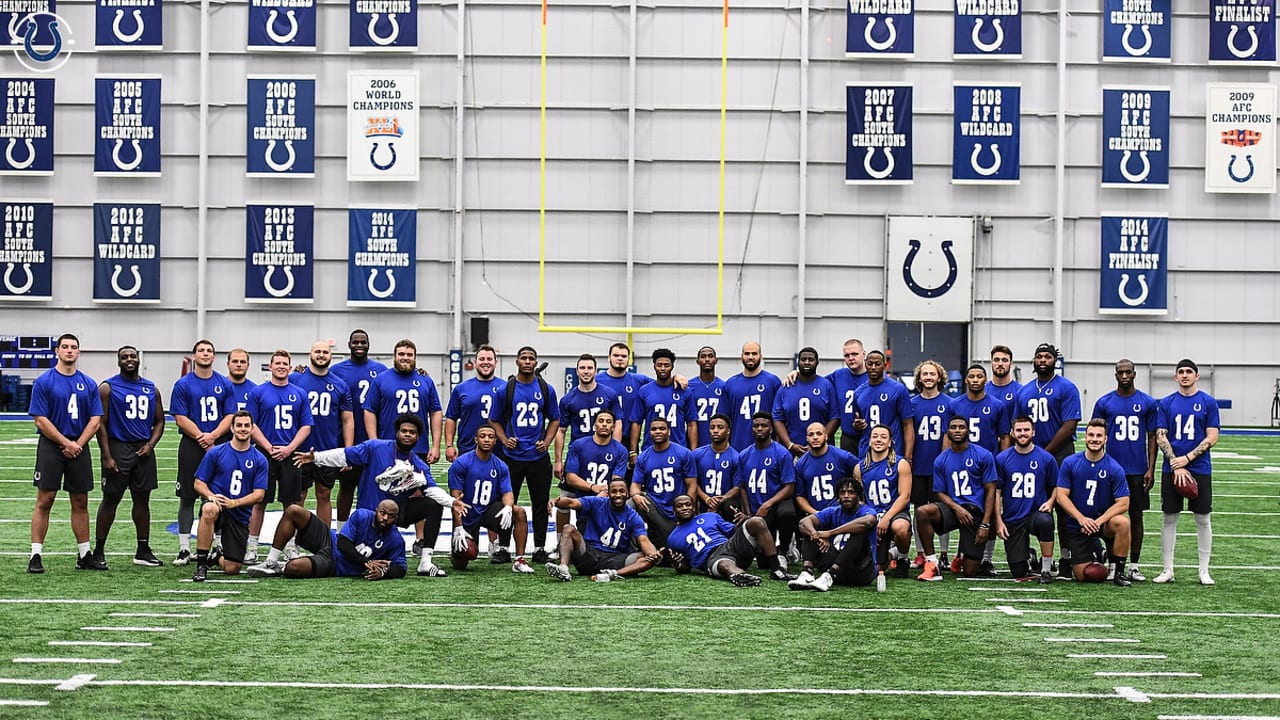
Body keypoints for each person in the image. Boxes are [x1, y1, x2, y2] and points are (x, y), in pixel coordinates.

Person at [291, 413, 466, 577]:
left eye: (412, 432)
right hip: (370, 513)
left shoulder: (419, 465)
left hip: (395, 513)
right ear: (397, 432)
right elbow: (344, 455)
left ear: (418, 437)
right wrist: (316, 458)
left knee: (433, 505)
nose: (407, 435)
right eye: (404, 431)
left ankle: (425, 562)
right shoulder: (375, 448)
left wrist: (451, 502)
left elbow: (431, 489)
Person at [28, 333, 105, 574]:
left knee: (80, 500)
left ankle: (84, 554)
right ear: (57, 351)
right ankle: (36, 554)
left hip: (79, 447)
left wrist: (78, 444)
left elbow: (95, 419)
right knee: (45, 499)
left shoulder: (89, 383)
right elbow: (40, 419)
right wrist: (65, 443)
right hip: (52, 446)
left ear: (79, 352)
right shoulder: (44, 381)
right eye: (65, 347)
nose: (69, 351)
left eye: (73, 347)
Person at [92, 345, 166, 568]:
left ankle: (142, 549)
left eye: (132, 356)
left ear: (139, 359)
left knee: (142, 500)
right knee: (111, 499)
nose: (129, 360)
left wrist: (151, 445)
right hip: (118, 447)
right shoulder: (108, 387)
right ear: (118, 361)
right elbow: (100, 424)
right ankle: (98, 550)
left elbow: (160, 421)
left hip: (143, 449)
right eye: (124, 357)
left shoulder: (151, 388)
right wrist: (106, 455)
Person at [1015, 342, 1082, 577]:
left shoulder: (1067, 387)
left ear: (1055, 360)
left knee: (1063, 507)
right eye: (1039, 356)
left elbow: (1070, 424)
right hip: (1029, 455)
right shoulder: (1024, 391)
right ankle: (1029, 555)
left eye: (1047, 357)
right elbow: (1017, 424)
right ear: (1033, 361)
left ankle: (1066, 557)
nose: (1043, 360)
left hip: (1060, 453)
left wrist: (1045, 451)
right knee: (1027, 504)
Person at [489, 346, 560, 563]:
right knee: (508, 504)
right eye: (524, 358)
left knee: (541, 503)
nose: (528, 361)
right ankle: (503, 547)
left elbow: (555, 419)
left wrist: (547, 441)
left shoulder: (546, 389)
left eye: (531, 358)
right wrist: (503, 439)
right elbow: (494, 419)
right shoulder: (506, 389)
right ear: (517, 362)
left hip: (537, 457)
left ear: (536, 362)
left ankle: (539, 547)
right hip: (512, 457)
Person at [1154, 359, 1220, 586]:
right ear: (1175, 377)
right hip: (1171, 467)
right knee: (1169, 517)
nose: (1184, 375)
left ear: (1197, 376)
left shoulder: (1208, 403)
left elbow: (1212, 436)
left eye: (1189, 372)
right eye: (1180, 372)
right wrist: (1176, 462)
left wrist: (1188, 459)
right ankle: (1168, 569)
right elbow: (1160, 435)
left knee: (1202, 518)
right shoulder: (1166, 403)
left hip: (1199, 467)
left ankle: (1204, 570)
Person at [1090, 359, 1157, 582]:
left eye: (1129, 372)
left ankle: (1134, 566)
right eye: (1121, 372)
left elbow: (1152, 436)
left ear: (1135, 374)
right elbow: (1095, 434)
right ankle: (1113, 563)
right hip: (1110, 470)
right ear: (1116, 374)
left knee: (1137, 516)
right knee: (1111, 518)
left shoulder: (1146, 402)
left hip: (1137, 469)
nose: (1125, 376)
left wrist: (1150, 468)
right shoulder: (1105, 402)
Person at [169, 339, 235, 565]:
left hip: (218, 445)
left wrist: (213, 436)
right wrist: (203, 437)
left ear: (214, 357)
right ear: (194, 356)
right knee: (187, 497)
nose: (205, 354)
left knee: (217, 497)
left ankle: (217, 544)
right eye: (201, 351)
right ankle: (185, 548)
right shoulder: (183, 384)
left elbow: (230, 416)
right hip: (191, 445)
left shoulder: (224, 384)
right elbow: (180, 417)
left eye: (209, 351)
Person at [245, 349, 314, 561]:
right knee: (259, 502)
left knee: (291, 505)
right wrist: (268, 447)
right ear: (271, 366)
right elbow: (251, 424)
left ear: (290, 368)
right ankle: (252, 547)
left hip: (290, 454)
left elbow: (306, 426)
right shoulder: (258, 392)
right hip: (265, 455)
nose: (282, 366)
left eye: (285, 363)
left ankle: (290, 545)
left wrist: (289, 448)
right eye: (278, 363)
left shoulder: (299, 393)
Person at [945, 363, 1009, 574]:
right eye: (971, 376)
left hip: (987, 463)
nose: (974, 379)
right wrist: (945, 460)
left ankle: (987, 558)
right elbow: (948, 434)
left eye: (979, 376)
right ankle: (958, 554)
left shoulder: (997, 405)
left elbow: (1004, 436)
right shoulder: (955, 404)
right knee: (961, 506)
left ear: (985, 379)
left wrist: (1001, 460)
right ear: (966, 380)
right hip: (960, 465)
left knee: (988, 510)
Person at [914, 416, 997, 580]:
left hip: (975, 513)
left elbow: (991, 491)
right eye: (953, 427)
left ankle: (962, 555)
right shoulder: (941, 459)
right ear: (947, 431)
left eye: (961, 427)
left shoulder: (983, 455)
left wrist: (985, 524)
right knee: (923, 511)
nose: (957, 430)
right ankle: (931, 563)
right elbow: (939, 492)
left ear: (968, 430)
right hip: (954, 510)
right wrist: (957, 508)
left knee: (970, 572)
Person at [191, 411, 268, 581]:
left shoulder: (260, 459)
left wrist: (235, 503)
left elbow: (259, 495)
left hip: (239, 512)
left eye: (246, 425)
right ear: (232, 428)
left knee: (232, 568)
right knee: (209, 509)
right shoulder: (216, 453)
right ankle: (201, 564)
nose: (242, 429)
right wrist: (211, 496)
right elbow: (198, 483)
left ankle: (216, 556)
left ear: (252, 429)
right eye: (239, 425)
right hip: (217, 505)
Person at [247, 500, 408, 580]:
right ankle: (271, 561)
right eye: (382, 512)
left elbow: (401, 568)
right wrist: (366, 562)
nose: (385, 518)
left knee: (293, 568)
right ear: (376, 511)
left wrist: (382, 572)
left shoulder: (395, 540)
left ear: (396, 518)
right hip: (330, 541)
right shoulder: (361, 516)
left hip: (335, 565)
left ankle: (283, 567)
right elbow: (343, 543)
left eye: (390, 516)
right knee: (293, 510)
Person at [1055, 419, 1132, 586]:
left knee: (1123, 523)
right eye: (1091, 435)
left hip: (1103, 523)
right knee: (1084, 576)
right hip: (1079, 525)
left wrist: (1098, 522)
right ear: (1085, 437)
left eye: (1099, 436)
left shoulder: (1114, 467)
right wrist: (1081, 518)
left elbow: (1124, 503)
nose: (1094, 439)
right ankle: (1098, 552)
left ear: (1106, 439)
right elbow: (1061, 495)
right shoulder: (1071, 462)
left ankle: (1119, 572)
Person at [448, 426, 533, 573]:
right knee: (464, 559)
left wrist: (507, 507)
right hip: (466, 511)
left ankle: (519, 560)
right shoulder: (461, 463)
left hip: (488, 510)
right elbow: (456, 500)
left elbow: (507, 493)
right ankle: (454, 553)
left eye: (490, 436)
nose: (486, 439)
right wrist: (458, 527)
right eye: (482, 436)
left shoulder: (500, 466)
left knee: (519, 512)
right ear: (476, 439)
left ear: (495, 441)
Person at [555, 352, 624, 530]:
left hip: (604, 451)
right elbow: (560, 430)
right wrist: (558, 460)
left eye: (589, 368)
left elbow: (617, 422)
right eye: (582, 368)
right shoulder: (568, 399)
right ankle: (560, 541)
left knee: (607, 494)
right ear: (577, 371)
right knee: (565, 497)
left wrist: (614, 449)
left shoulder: (609, 394)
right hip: (578, 453)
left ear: (595, 371)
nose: (586, 371)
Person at [289, 340, 355, 527]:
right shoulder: (296, 379)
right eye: (317, 351)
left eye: (325, 352)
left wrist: (348, 451)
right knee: (299, 495)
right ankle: (294, 540)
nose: (321, 355)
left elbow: (347, 419)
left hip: (328, 448)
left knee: (324, 494)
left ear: (330, 356)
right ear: (310, 354)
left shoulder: (340, 385)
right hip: (300, 448)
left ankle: (324, 542)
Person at [546, 478, 663, 582]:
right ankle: (563, 568)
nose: (618, 495)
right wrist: (556, 501)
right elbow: (572, 502)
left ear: (627, 494)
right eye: (614, 491)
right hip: (589, 554)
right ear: (608, 493)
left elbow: (644, 540)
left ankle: (613, 575)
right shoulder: (596, 502)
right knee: (568, 529)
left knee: (647, 558)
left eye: (621, 491)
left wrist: (653, 554)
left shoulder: (633, 516)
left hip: (616, 560)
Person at [665, 494, 794, 586]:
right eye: (680, 506)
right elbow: (686, 568)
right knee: (725, 565)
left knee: (757, 521)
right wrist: (677, 565)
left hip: (729, 546)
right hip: (711, 558)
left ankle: (777, 569)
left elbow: (733, 531)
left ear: (694, 507)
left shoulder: (710, 516)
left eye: (688, 504)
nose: (685, 508)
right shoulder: (673, 538)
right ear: (674, 510)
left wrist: (743, 520)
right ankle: (740, 575)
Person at [329, 329, 390, 521]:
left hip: (373, 437)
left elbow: (398, 379)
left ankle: (372, 527)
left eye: (363, 342)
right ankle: (341, 528)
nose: (359, 345)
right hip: (347, 438)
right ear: (349, 344)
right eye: (355, 342)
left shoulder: (381, 370)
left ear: (369, 344)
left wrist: (419, 372)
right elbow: (319, 378)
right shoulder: (337, 370)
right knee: (346, 486)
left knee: (374, 486)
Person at [994, 416, 1058, 583]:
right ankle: (1029, 555)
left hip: (1035, 514)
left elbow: (1057, 486)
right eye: (1019, 430)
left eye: (1026, 430)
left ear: (1033, 432)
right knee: (1019, 573)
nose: (1023, 434)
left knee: (1045, 522)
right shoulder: (1002, 459)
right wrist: (999, 521)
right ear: (1012, 433)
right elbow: (997, 491)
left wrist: (1051, 502)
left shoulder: (1046, 458)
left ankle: (1045, 569)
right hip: (1012, 517)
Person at [789, 477, 879, 591]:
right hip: (833, 563)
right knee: (809, 530)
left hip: (860, 571)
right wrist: (817, 535)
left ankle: (831, 575)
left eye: (851, 492)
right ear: (838, 496)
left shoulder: (866, 511)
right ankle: (807, 572)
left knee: (860, 533)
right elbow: (803, 523)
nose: (846, 496)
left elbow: (867, 522)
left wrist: (830, 533)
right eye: (842, 493)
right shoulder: (833, 511)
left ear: (858, 496)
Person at [363, 339, 443, 463]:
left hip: (419, 448)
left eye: (409, 355)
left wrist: (436, 446)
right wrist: (375, 443)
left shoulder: (426, 380)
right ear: (394, 356)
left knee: (417, 482)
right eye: (401, 354)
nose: (405, 358)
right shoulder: (381, 380)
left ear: (415, 357)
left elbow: (436, 412)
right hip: (387, 447)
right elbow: (369, 411)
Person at [853, 425, 912, 582]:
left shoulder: (900, 464)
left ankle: (903, 558)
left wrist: (886, 518)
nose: (879, 440)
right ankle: (892, 553)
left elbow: (904, 497)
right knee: (876, 569)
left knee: (900, 528)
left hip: (895, 513)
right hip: (873, 515)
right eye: (875, 436)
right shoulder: (860, 468)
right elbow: (861, 501)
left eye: (883, 437)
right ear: (870, 441)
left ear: (891, 442)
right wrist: (870, 519)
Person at [736, 412, 797, 561]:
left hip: (774, 506)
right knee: (764, 562)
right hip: (758, 511)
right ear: (752, 429)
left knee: (787, 512)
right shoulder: (744, 455)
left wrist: (768, 504)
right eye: (756, 426)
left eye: (764, 426)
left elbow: (789, 487)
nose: (759, 429)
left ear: (770, 429)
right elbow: (742, 486)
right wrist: (749, 513)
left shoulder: (782, 453)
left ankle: (785, 549)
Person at [630, 417, 696, 548]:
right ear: (649, 433)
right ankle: (631, 550)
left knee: (672, 544)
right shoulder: (643, 457)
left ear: (669, 432)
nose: (658, 432)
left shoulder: (683, 453)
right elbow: (635, 484)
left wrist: (687, 511)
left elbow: (692, 485)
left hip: (675, 508)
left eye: (662, 428)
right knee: (629, 504)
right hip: (653, 506)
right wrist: (636, 495)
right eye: (654, 429)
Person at [909, 360, 949, 569]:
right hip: (918, 464)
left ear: (939, 377)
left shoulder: (949, 403)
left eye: (932, 374)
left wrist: (944, 461)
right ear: (919, 378)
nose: (928, 377)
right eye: (924, 374)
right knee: (918, 509)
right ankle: (920, 552)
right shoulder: (912, 403)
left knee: (939, 510)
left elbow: (949, 434)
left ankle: (943, 553)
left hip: (939, 465)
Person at [772, 347, 839, 458]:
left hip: (822, 451)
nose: (807, 362)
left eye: (811, 359)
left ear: (817, 362)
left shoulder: (826, 385)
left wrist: (820, 441)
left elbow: (835, 417)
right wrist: (789, 444)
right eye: (803, 359)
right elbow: (777, 418)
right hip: (792, 451)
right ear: (798, 362)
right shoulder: (786, 387)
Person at [443, 344, 505, 462]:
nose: (485, 362)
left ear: (495, 363)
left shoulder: (505, 387)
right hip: (468, 448)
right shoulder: (461, 388)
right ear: (475, 363)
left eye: (489, 359)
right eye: (481, 359)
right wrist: (449, 445)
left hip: (499, 449)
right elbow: (451, 418)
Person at [630, 348, 696, 452]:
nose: (663, 368)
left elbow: (692, 424)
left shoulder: (684, 391)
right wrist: (633, 452)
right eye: (659, 365)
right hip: (650, 449)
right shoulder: (644, 391)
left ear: (672, 367)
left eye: (667, 365)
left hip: (679, 449)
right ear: (654, 366)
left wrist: (693, 452)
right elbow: (636, 423)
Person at [853, 350, 915, 460]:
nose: (873, 367)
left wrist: (908, 456)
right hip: (867, 451)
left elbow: (908, 424)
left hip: (893, 451)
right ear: (865, 364)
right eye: (870, 364)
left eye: (877, 364)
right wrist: (857, 425)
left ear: (885, 365)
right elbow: (858, 422)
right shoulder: (858, 392)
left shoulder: (898, 389)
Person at [723, 341, 781, 451]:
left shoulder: (773, 382)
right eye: (747, 354)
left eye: (754, 354)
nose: (750, 357)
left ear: (761, 356)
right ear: (741, 356)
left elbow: (778, 418)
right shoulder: (730, 384)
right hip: (738, 446)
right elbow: (726, 420)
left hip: (767, 447)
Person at [793, 422, 857, 517]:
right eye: (811, 434)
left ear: (826, 436)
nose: (815, 437)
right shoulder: (801, 464)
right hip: (816, 514)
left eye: (819, 434)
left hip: (843, 512)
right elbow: (800, 496)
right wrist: (817, 514)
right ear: (807, 439)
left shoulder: (843, 457)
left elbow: (860, 471)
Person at [595, 342, 653, 446]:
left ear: (628, 359)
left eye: (624, 356)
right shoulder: (597, 380)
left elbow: (662, 383)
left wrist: (676, 377)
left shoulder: (639, 380)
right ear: (609, 358)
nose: (620, 359)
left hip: (629, 439)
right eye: (616, 355)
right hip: (601, 436)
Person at [561, 409, 629, 498]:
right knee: (561, 504)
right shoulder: (579, 445)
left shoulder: (621, 450)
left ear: (613, 427)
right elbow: (570, 478)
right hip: (582, 498)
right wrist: (592, 487)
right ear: (594, 425)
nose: (604, 424)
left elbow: (616, 482)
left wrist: (603, 493)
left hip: (606, 498)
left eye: (608, 422)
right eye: (601, 421)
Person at [690, 413, 743, 517]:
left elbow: (738, 487)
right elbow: (692, 482)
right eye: (712, 427)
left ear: (728, 431)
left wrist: (720, 501)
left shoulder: (736, 457)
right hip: (703, 503)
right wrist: (707, 499)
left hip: (725, 505)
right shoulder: (697, 454)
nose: (715, 430)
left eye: (720, 427)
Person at [827, 338, 870, 452]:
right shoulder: (838, 375)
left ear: (864, 354)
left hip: (871, 438)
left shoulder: (875, 377)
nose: (851, 358)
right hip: (848, 438)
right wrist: (797, 373)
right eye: (847, 355)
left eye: (854, 354)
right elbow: (816, 382)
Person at [686, 346, 725, 448]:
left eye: (710, 356)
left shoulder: (724, 387)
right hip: (696, 443)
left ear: (716, 360)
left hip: (719, 443)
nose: (707, 359)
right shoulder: (689, 386)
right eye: (703, 356)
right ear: (697, 361)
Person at [988, 345, 1021, 419]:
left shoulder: (1020, 391)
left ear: (1011, 363)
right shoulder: (983, 391)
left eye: (1004, 360)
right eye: (996, 360)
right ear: (991, 362)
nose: (1000, 364)